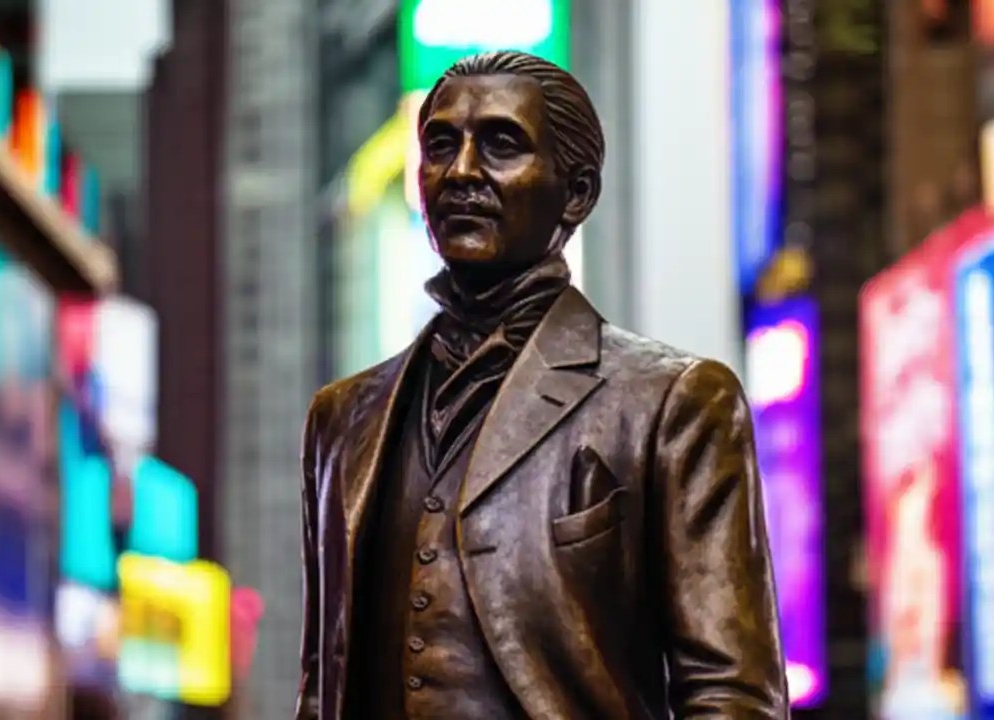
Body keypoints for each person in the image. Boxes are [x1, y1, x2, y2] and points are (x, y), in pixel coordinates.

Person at [297, 51, 788, 719]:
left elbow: (730, 692)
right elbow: (322, 686)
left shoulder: (672, 402)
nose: (462, 172)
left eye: (501, 145)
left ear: (577, 191)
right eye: (441, 145)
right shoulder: (343, 420)